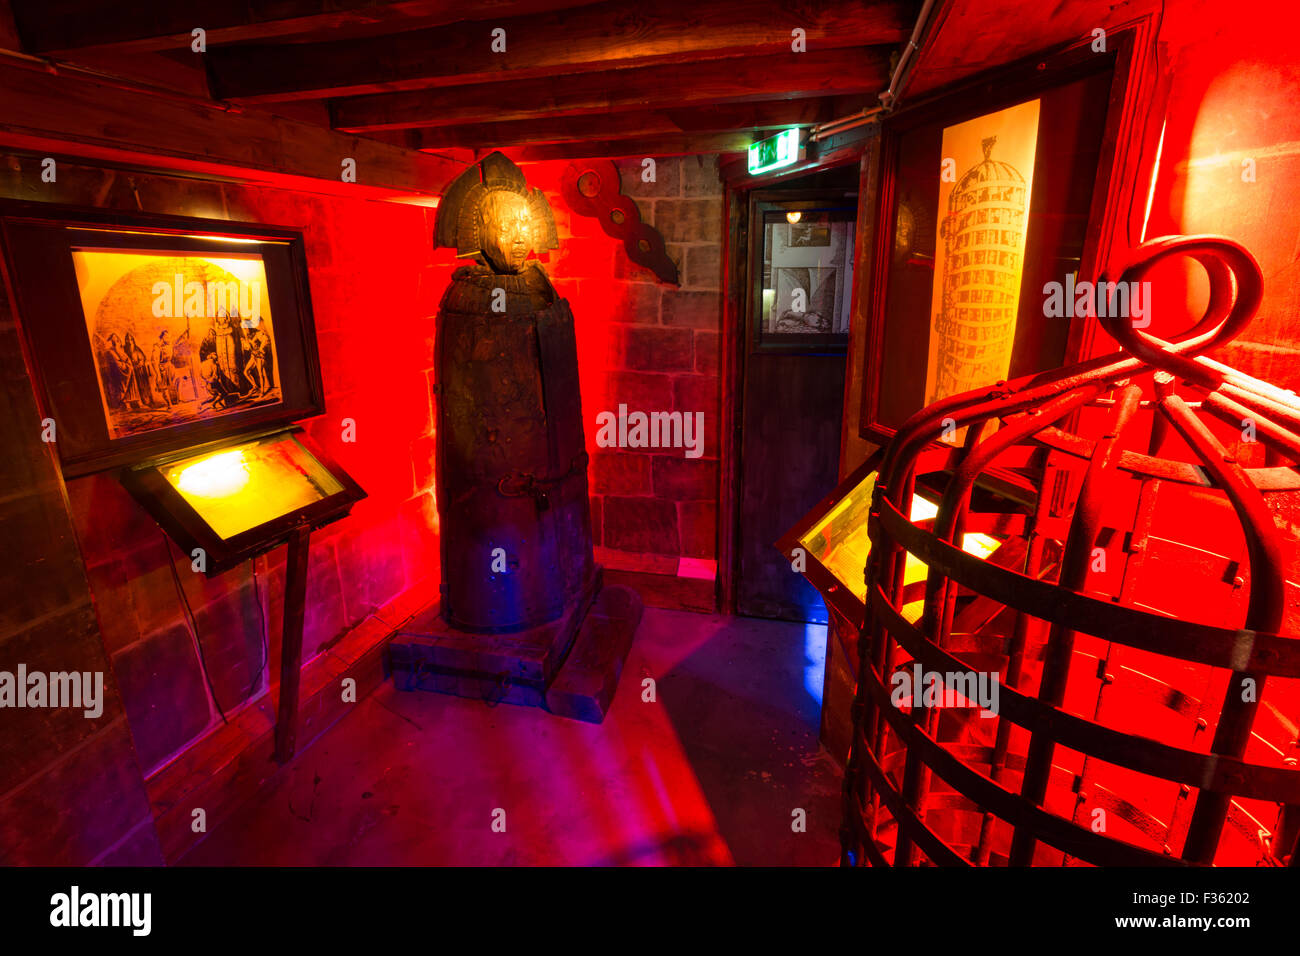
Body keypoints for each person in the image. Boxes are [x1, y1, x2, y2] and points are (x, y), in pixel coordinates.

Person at [150, 330, 175, 409]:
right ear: (163, 337)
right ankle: (169, 404)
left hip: (169, 367)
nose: (169, 339)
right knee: (164, 387)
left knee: (171, 385)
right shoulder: (157, 347)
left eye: (169, 337)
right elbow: (154, 361)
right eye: (167, 337)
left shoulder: (169, 344)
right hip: (162, 369)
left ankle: (174, 402)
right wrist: (157, 375)